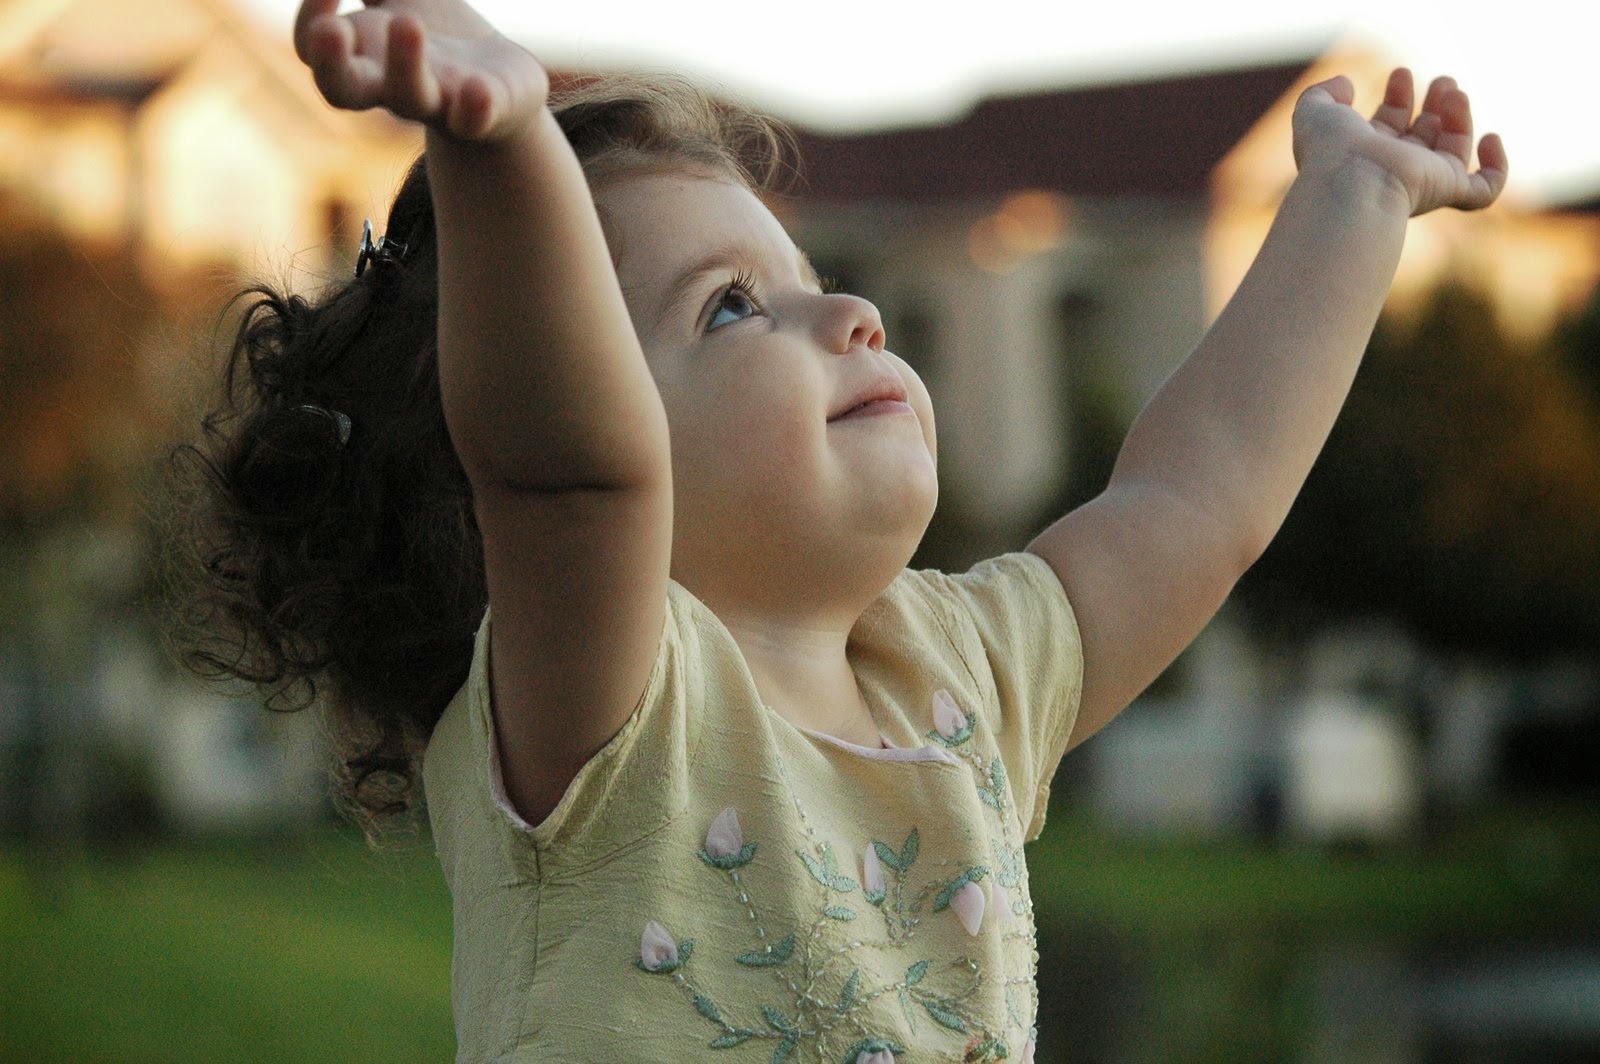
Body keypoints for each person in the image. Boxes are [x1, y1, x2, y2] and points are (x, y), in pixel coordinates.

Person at [166, 0, 1507, 1059]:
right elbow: (569, 472)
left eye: (810, 279)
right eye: (730, 309)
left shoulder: (964, 673)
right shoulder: (613, 703)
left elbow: (1200, 499)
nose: (849, 314)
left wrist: (1358, 199)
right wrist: (501, 146)